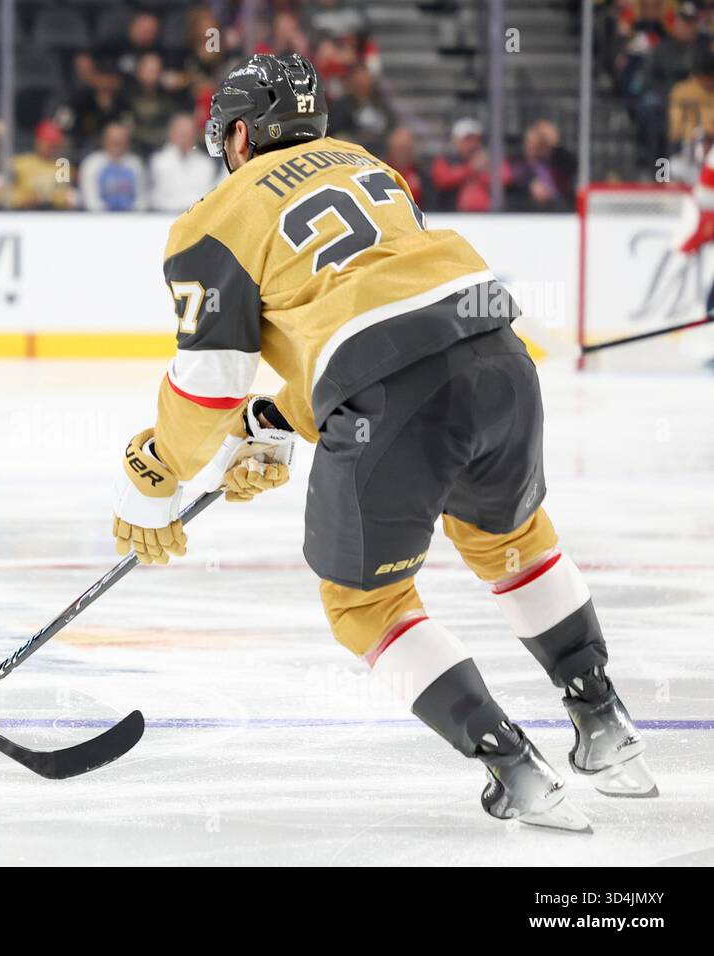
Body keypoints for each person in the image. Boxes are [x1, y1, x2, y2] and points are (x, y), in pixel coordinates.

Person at [109, 53, 656, 829]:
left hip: (395, 394)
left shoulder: (215, 216)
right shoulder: (371, 166)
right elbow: (377, 316)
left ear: (236, 134)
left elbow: (209, 384)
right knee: (512, 542)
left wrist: (155, 471)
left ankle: (516, 769)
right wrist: (274, 423)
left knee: (365, 603)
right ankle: (605, 722)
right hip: (497, 354)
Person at [148, 113, 220, 212]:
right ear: (171, 134)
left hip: (196, 217)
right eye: (181, 133)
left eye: (189, 134)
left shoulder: (206, 164)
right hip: (162, 217)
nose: (185, 138)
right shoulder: (158, 162)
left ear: (195, 136)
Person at [78, 122, 148, 212]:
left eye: (120, 140)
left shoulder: (135, 164)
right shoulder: (91, 164)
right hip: (99, 219)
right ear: (104, 141)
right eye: (113, 139)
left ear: (127, 142)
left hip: (131, 219)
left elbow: (142, 198)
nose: (116, 143)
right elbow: (90, 199)